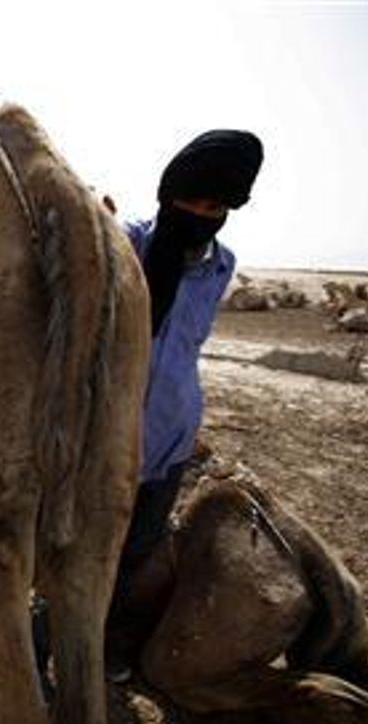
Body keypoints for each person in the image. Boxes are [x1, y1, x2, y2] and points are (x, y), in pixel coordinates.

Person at [104, 129, 265, 677]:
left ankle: (103, 647)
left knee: (137, 549)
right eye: (188, 202)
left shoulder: (221, 267)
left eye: (213, 206)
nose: (198, 214)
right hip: (109, 434)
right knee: (83, 547)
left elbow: (185, 348)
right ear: (166, 196)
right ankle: (41, 644)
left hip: (170, 436)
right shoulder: (128, 243)